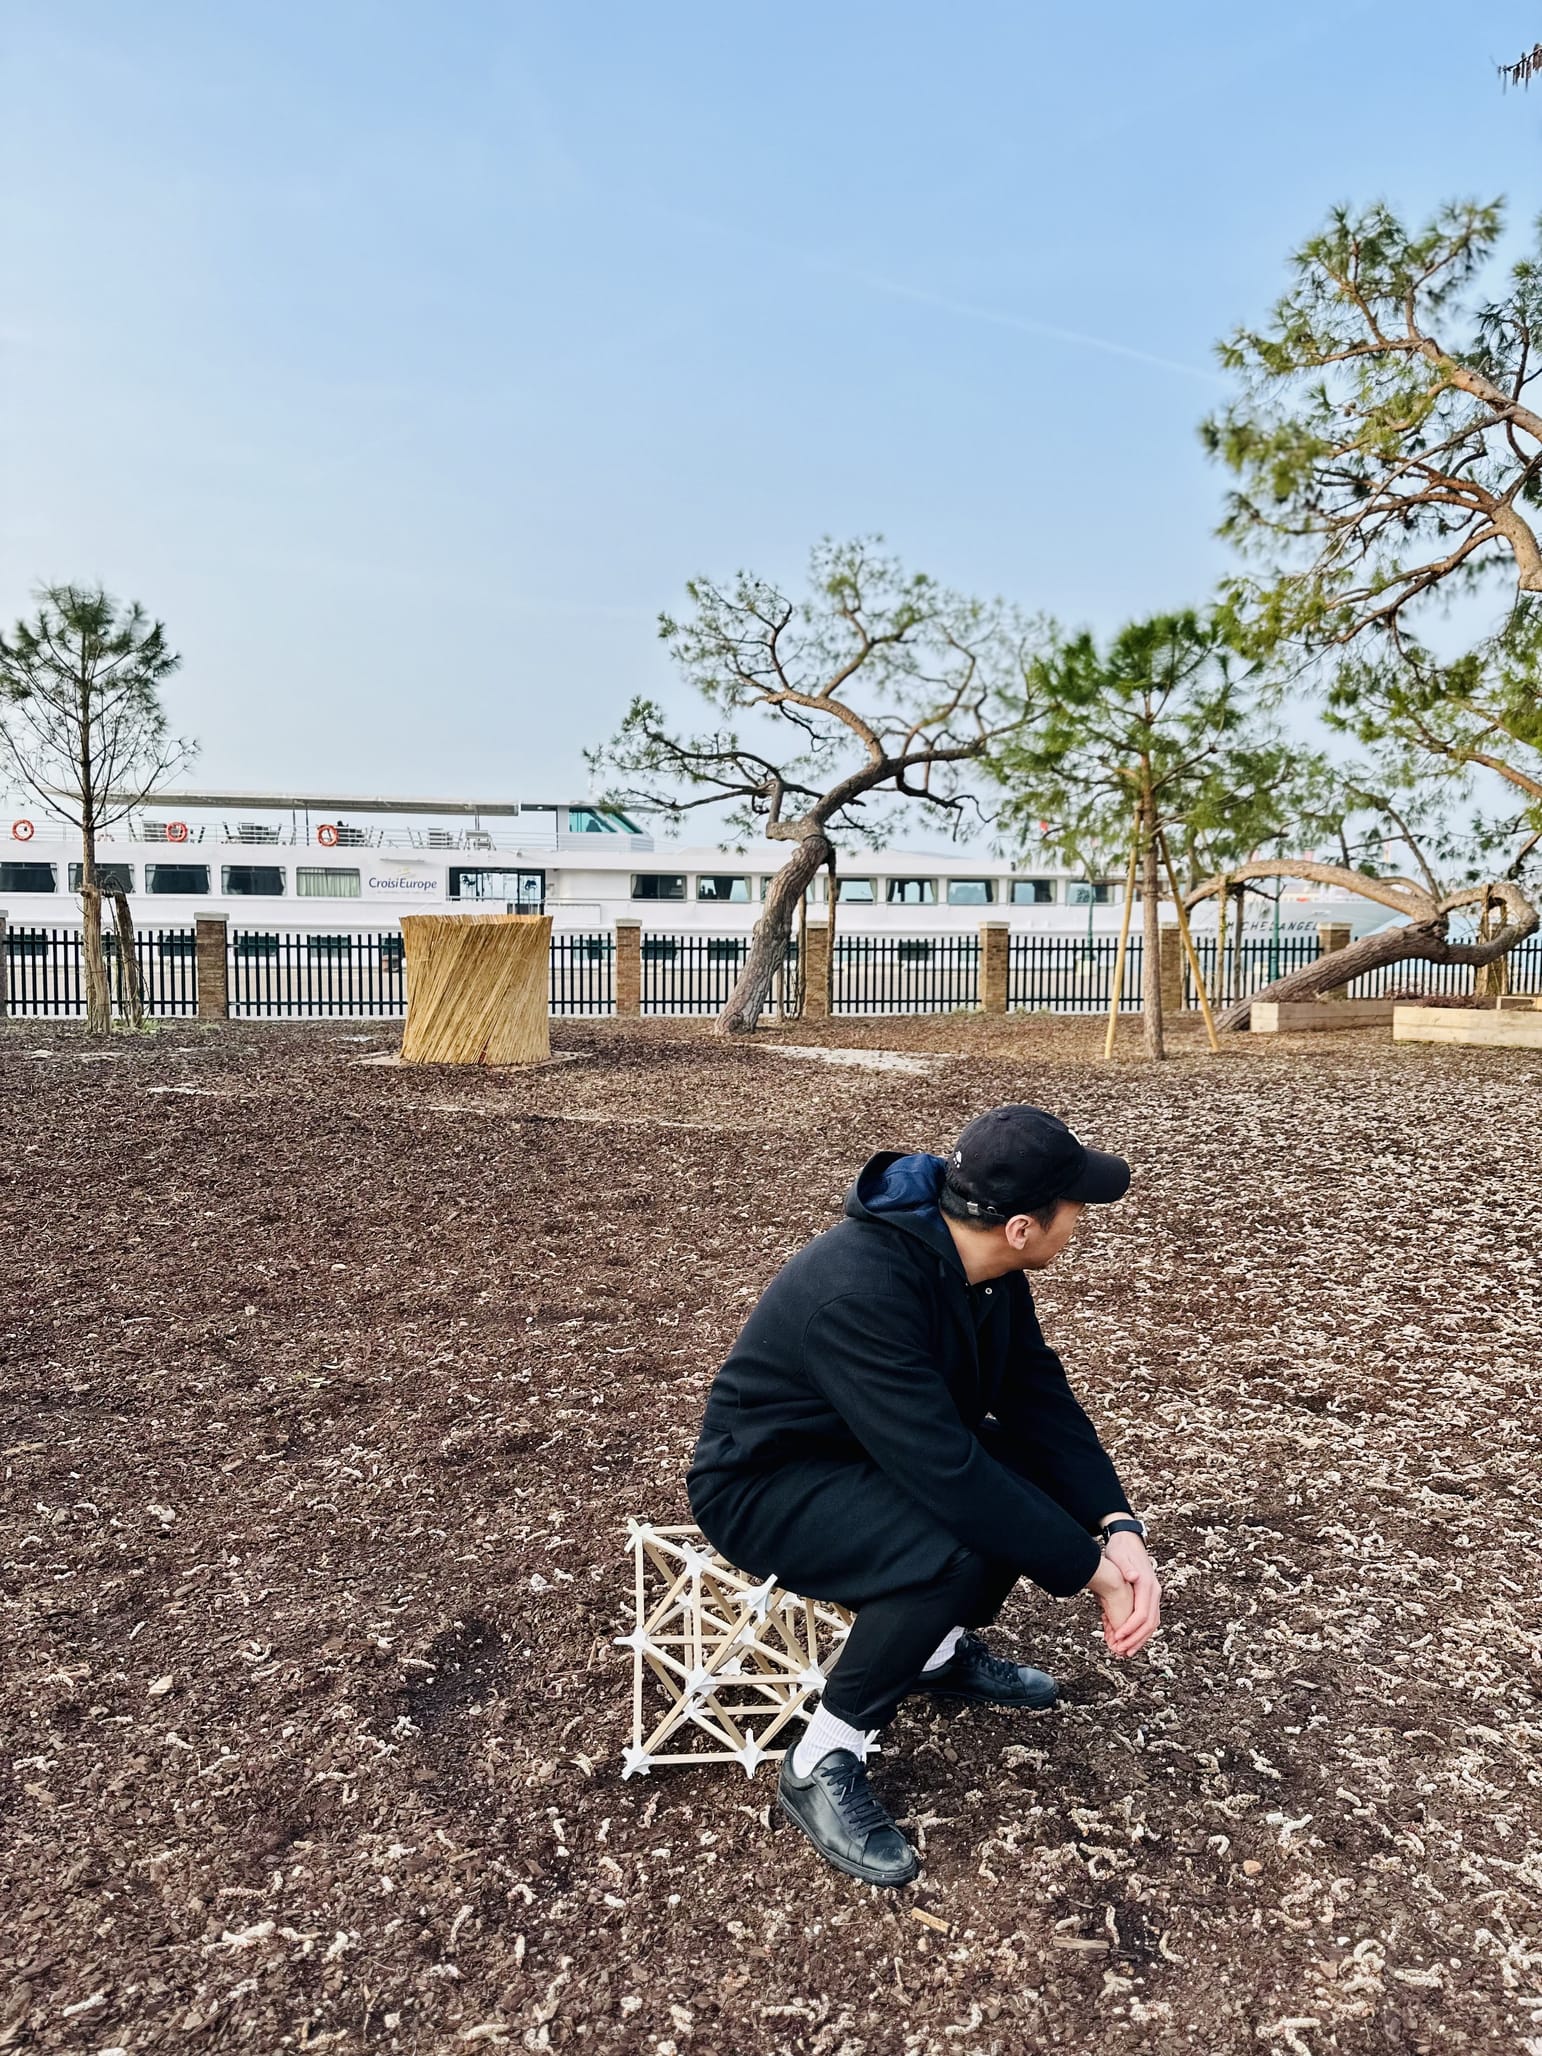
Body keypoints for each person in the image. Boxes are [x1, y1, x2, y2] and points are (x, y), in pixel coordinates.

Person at [685, 1104, 1160, 1887]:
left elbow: (1039, 1401)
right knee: (957, 1541)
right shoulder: (860, 1291)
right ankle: (822, 1756)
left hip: (871, 1457)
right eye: (1074, 1208)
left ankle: (931, 1655)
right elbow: (950, 1476)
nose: (1080, 1221)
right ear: (1019, 1227)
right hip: (766, 1484)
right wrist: (1092, 1572)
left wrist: (1118, 1527)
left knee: (1013, 1479)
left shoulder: (986, 1274)